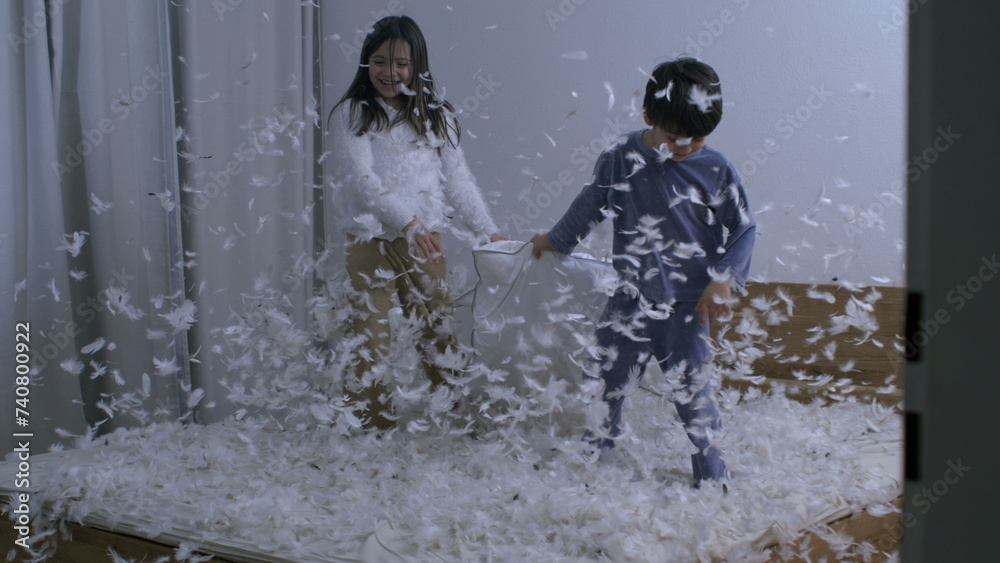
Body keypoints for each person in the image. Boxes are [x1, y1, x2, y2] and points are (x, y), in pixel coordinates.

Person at [530, 57, 756, 485]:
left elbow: (745, 227)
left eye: (698, 138)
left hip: (686, 308)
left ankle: (711, 471)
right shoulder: (620, 156)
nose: (687, 147)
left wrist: (724, 277)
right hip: (629, 298)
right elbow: (589, 205)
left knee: (692, 393)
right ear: (649, 116)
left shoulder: (715, 169)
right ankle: (598, 446)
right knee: (603, 376)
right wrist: (554, 240)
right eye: (676, 138)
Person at [329, 15, 503, 430]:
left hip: (425, 241)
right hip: (370, 238)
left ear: (417, 66)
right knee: (369, 337)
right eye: (379, 61)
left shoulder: (438, 116)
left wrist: (488, 231)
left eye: (401, 63)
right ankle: (370, 424)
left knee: (438, 327)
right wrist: (407, 224)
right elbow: (363, 181)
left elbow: (458, 181)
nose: (389, 72)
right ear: (366, 63)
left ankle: (455, 415)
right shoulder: (355, 112)